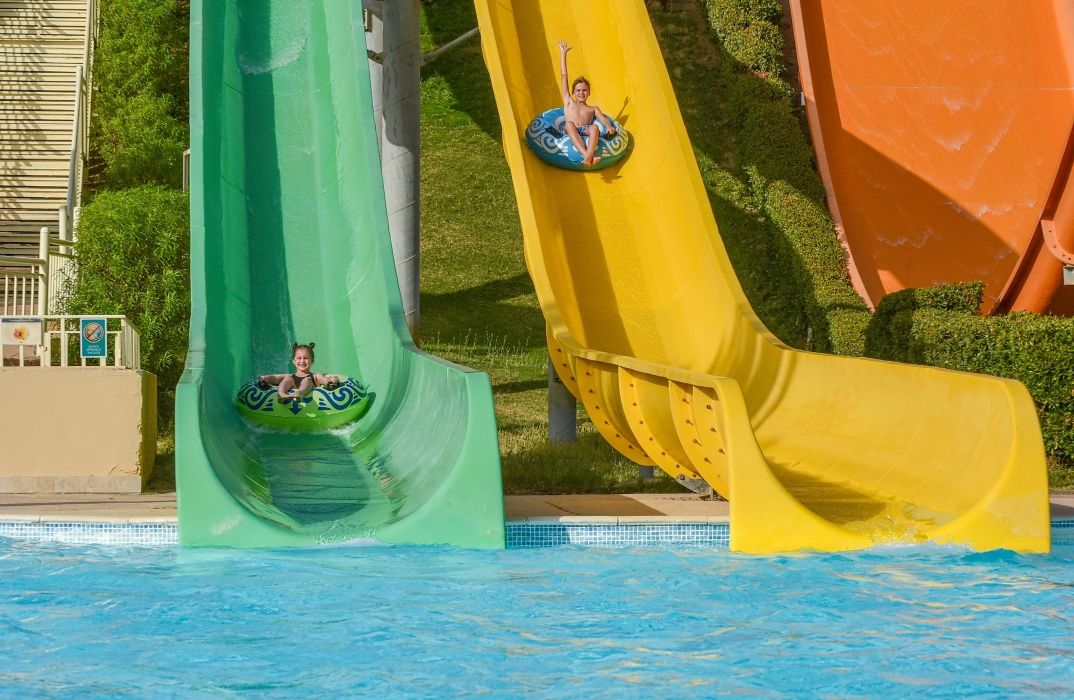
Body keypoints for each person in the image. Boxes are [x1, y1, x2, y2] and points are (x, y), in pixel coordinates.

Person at [557, 39, 617, 167]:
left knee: (594, 127)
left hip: (585, 130)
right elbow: (563, 75)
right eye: (578, 90)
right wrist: (563, 53)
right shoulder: (569, 102)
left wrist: (609, 127)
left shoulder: (592, 109)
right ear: (573, 93)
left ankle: (587, 158)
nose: (581, 93)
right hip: (570, 129)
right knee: (569, 124)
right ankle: (588, 156)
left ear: (589, 92)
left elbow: (602, 118)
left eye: (584, 90)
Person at [258, 342, 339, 402]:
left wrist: (332, 380)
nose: (302, 361)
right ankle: (281, 394)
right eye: (299, 358)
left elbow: (324, 379)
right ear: (293, 361)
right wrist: (266, 378)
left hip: (303, 390)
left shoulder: (315, 376)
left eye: (306, 358)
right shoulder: (291, 377)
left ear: (312, 361)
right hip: (288, 388)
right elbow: (276, 378)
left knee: (307, 380)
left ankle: (300, 393)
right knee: (287, 378)